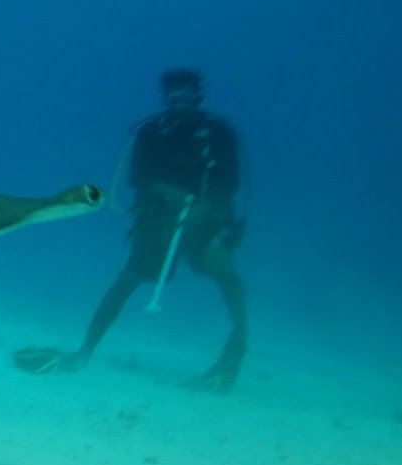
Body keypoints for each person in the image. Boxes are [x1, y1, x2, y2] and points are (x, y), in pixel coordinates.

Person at [15, 68, 248, 392]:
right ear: (164, 98)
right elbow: (138, 177)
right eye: (172, 96)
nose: (179, 103)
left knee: (227, 277)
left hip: (207, 219)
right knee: (128, 279)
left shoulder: (219, 133)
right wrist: (169, 195)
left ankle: (233, 356)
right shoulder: (150, 132)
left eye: (186, 96)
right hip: (159, 219)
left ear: (198, 97)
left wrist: (207, 209)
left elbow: (229, 183)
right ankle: (85, 352)